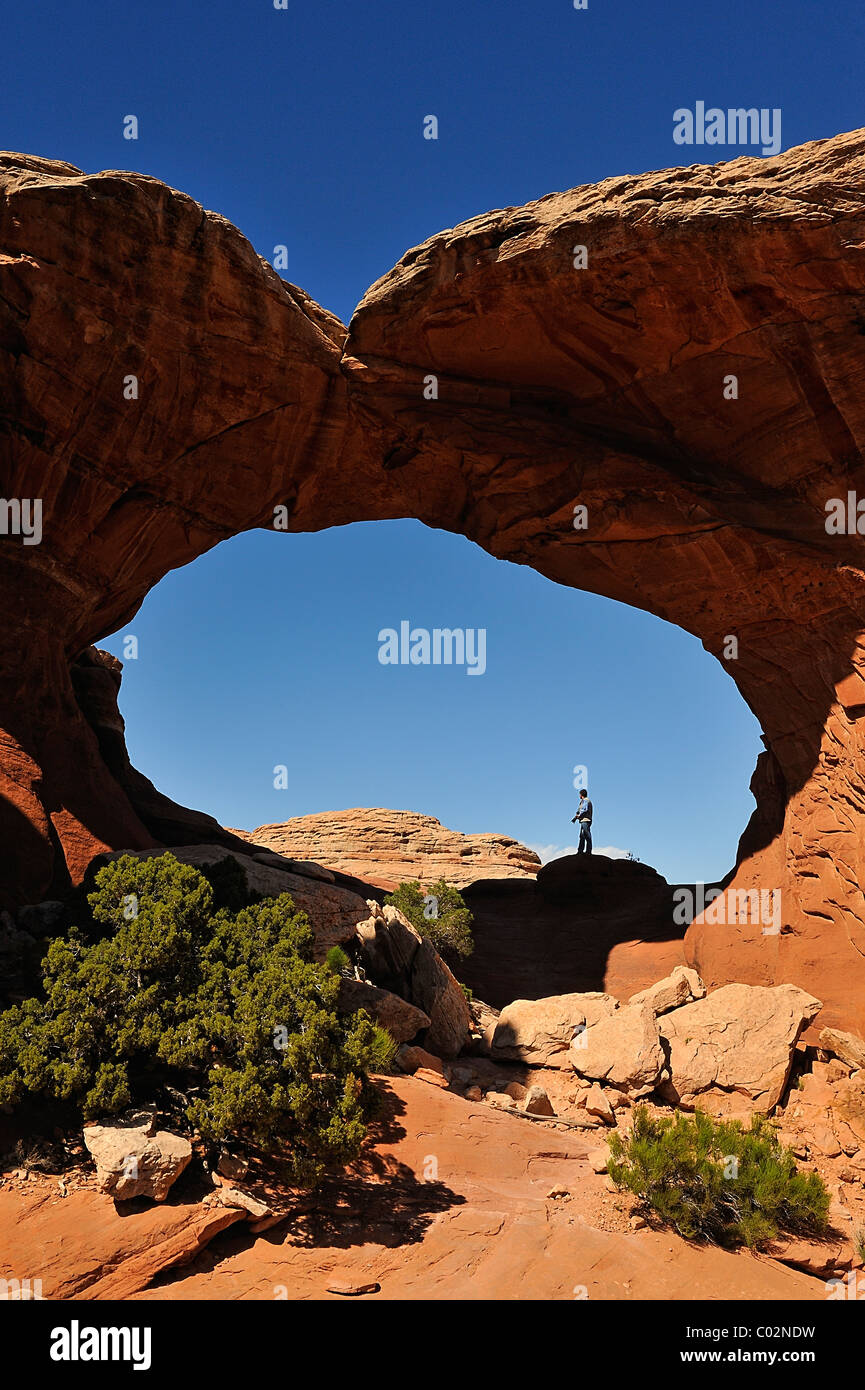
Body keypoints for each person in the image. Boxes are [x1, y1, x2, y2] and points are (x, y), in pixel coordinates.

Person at [571, 788, 593, 854]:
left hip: (585, 820)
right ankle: (580, 850)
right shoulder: (584, 801)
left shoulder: (586, 800)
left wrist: (578, 816)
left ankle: (588, 851)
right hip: (584, 820)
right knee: (582, 836)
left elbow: (584, 810)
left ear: (581, 794)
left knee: (586, 835)